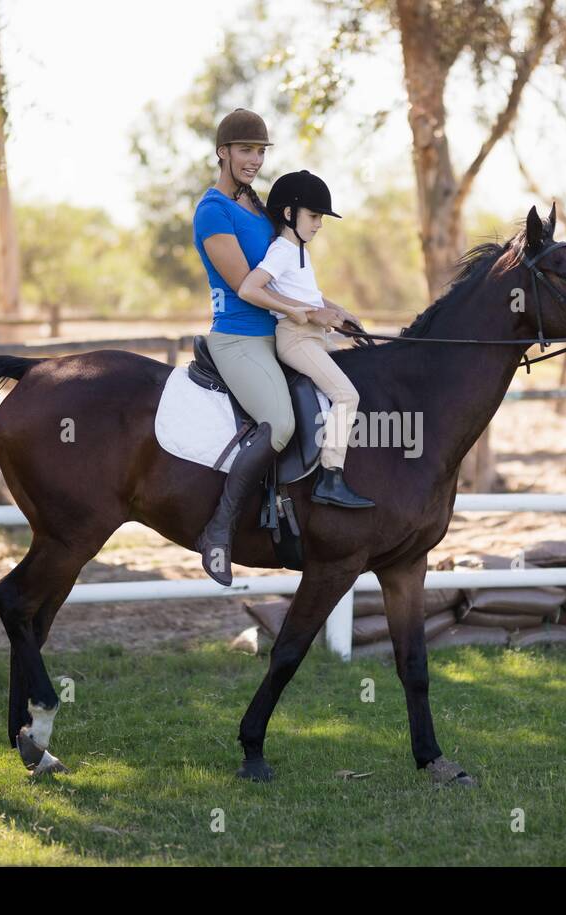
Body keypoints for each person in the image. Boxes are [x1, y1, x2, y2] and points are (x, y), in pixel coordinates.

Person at [190, 109, 343, 586]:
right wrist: (306, 314)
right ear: (223, 152)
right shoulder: (213, 210)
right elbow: (244, 287)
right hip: (240, 338)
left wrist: (332, 309)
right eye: (245, 150)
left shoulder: (258, 207)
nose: (254, 159)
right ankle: (219, 530)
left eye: (260, 151)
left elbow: (289, 277)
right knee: (279, 424)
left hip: (281, 334)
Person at [237, 169, 373, 510]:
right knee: (346, 394)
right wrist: (309, 315)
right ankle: (330, 478)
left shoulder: (300, 251)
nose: (318, 224)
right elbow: (251, 288)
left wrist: (342, 313)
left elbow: (313, 296)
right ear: (288, 214)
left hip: (315, 336)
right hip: (296, 338)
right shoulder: (282, 250)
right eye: (314, 216)